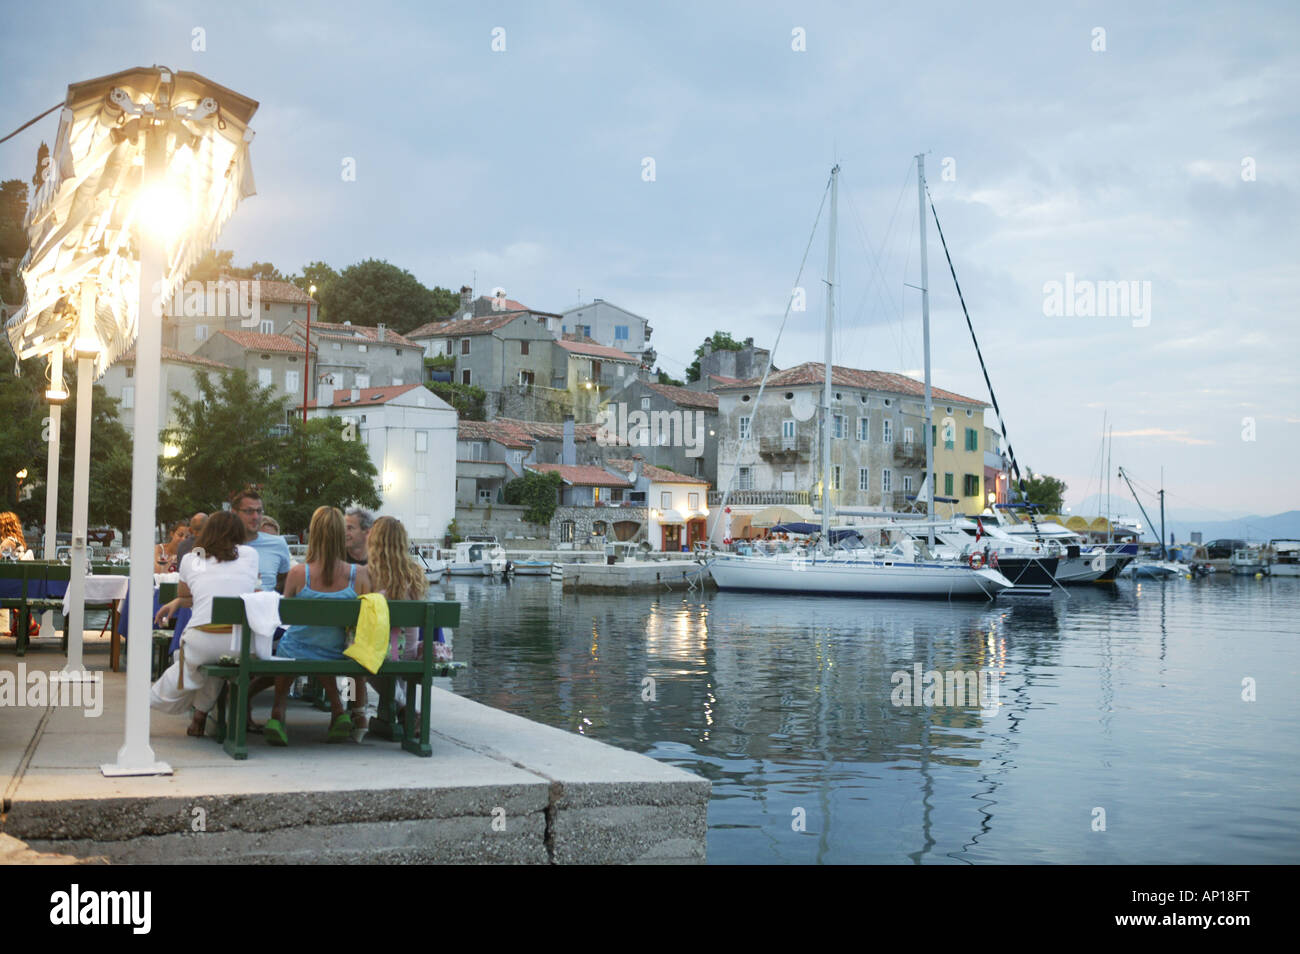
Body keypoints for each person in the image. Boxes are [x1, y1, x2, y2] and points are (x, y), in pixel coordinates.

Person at [264, 506, 370, 746]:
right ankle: (338, 710)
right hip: (339, 653)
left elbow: (283, 616)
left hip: (298, 650)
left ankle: (278, 711)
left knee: (292, 647)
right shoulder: (360, 574)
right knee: (324, 649)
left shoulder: (299, 573)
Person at [149, 511, 260, 736]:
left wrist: (180, 600)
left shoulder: (193, 558)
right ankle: (200, 715)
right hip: (242, 643)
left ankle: (147, 702)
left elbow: (186, 592)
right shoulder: (250, 554)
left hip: (203, 640)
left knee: (194, 663)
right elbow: (249, 590)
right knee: (220, 665)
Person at [231, 487, 290, 592]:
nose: (255, 516)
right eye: (249, 511)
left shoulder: (278, 544)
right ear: (234, 513)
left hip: (265, 607)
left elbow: (284, 581)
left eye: (259, 511)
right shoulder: (220, 543)